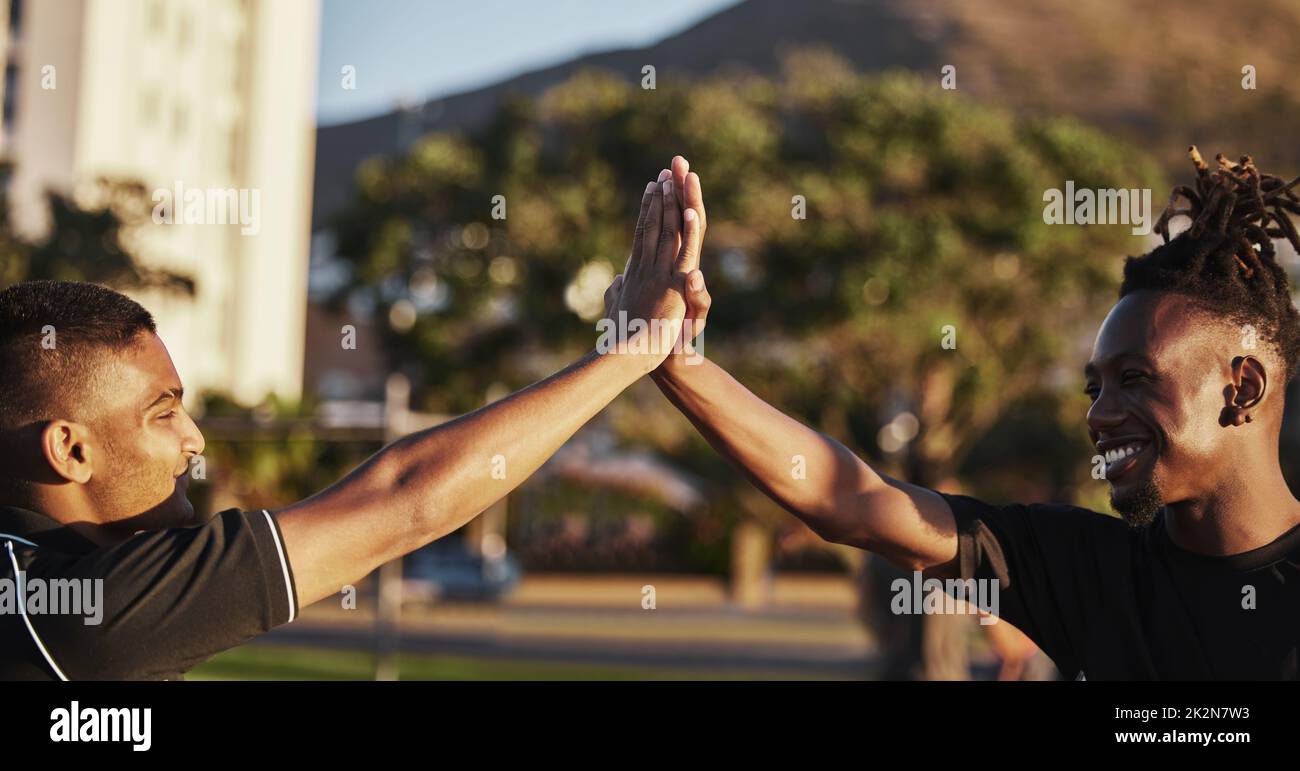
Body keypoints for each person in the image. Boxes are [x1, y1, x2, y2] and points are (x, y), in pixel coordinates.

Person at [0, 160, 703, 680]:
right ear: (69, 449)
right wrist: (630, 353)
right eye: (163, 412)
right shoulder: (78, 612)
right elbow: (405, 498)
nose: (195, 439)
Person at [649, 148, 1300, 679]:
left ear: (1241, 388)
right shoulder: (1085, 568)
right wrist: (679, 363)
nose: (1100, 415)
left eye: (1133, 378)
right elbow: (852, 501)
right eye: (1093, 387)